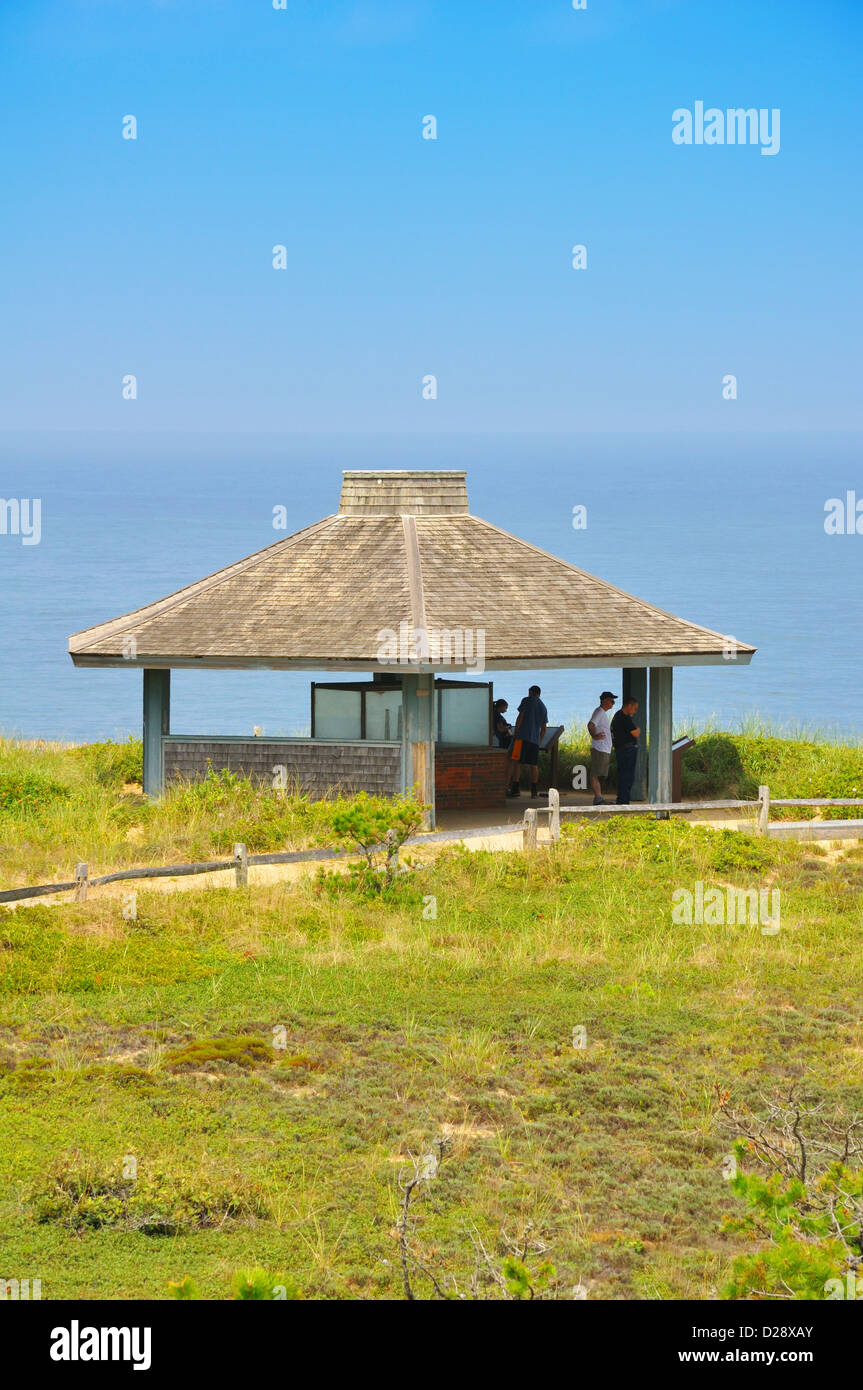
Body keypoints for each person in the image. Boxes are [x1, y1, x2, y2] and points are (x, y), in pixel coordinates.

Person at [507, 684, 548, 798]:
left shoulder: (526, 700)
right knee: (534, 765)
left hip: (521, 737)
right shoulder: (543, 707)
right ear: (539, 693)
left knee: (516, 762)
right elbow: (543, 728)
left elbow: (520, 716)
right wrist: (538, 741)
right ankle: (534, 791)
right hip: (534, 740)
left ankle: (515, 789)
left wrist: (516, 731)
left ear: (530, 691)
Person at [587, 691, 616, 805]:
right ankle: (598, 798)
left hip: (603, 748)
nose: (613, 703)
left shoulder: (601, 712)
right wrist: (594, 735)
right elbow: (590, 725)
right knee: (595, 774)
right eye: (611, 701)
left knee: (597, 773)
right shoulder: (599, 712)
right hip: (600, 748)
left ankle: (599, 797)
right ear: (605, 701)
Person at [611, 696, 640, 805]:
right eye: (635, 708)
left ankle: (622, 799)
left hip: (621, 750)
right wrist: (638, 729)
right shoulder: (624, 717)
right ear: (629, 706)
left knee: (623, 775)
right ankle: (624, 801)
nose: (635, 711)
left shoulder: (617, 715)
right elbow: (635, 733)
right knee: (627, 776)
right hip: (627, 750)